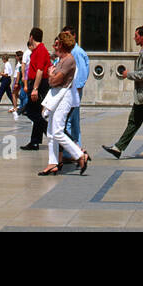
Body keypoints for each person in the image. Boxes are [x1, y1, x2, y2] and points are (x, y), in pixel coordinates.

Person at [101, 25, 143, 162]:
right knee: (133, 122)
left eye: (136, 35)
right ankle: (118, 148)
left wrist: (129, 75)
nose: (134, 38)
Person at [40, 32, 89, 176]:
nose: (54, 46)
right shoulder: (62, 59)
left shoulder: (69, 60)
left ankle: (79, 155)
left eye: (57, 43)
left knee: (57, 131)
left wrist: (50, 75)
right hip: (58, 96)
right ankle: (53, 162)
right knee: (51, 131)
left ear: (62, 44)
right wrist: (52, 74)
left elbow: (55, 80)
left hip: (64, 97)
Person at [21, 29, 52, 150]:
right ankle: (34, 141)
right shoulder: (36, 50)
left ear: (31, 37)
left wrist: (35, 88)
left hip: (39, 84)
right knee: (37, 111)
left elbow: (39, 70)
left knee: (30, 111)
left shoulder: (41, 50)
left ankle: (48, 129)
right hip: (37, 83)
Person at [65, 25, 91, 143]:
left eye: (68, 36)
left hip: (75, 90)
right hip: (72, 89)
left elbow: (81, 71)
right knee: (73, 120)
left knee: (70, 120)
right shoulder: (71, 51)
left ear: (74, 36)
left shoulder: (77, 52)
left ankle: (70, 149)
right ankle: (76, 147)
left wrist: (78, 87)